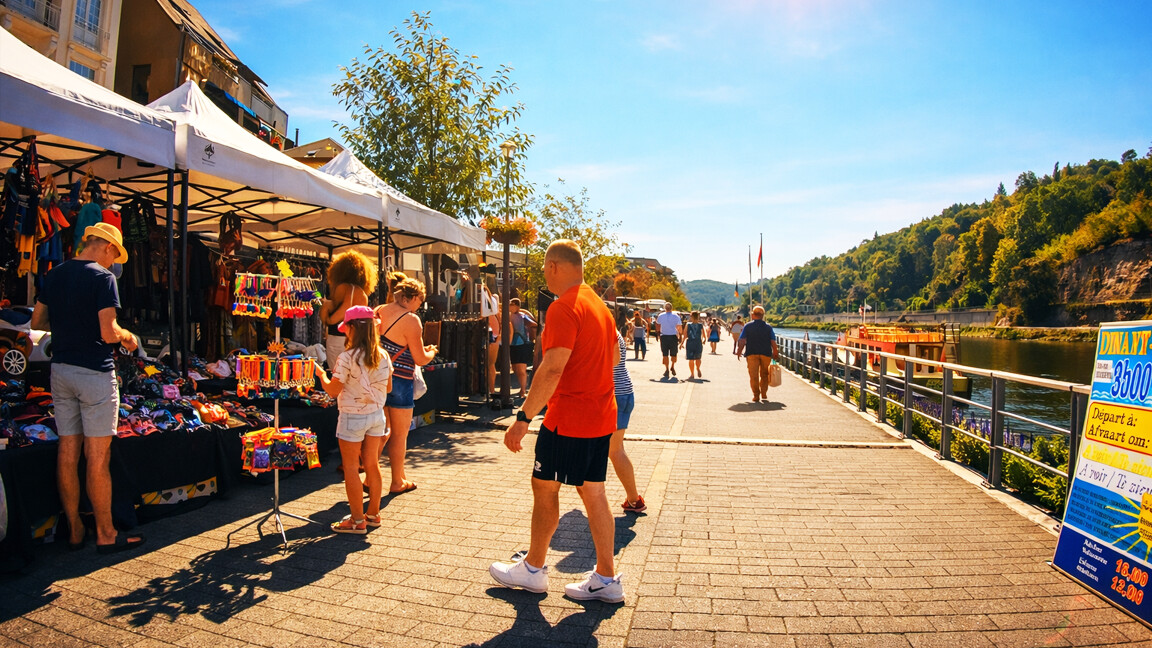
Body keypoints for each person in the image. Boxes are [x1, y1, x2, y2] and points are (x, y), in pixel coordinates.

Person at [489, 239, 624, 603]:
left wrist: (523, 417)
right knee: (593, 493)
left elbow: (551, 367)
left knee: (544, 486)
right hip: (599, 413)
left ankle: (533, 569)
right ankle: (607, 577)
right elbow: (612, 358)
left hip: (569, 418)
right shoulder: (600, 306)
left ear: (552, 267)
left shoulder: (564, 308)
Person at [30, 223, 144, 554]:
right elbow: (109, 332)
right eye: (115, 256)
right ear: (107, 247)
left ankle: (76, 530)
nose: (114, 264)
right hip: (94, 373)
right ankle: (106, 533)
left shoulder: (56, 274)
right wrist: (128, 337)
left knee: (68, 450)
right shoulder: (102, 277)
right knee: (97, 456)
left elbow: (37, 323)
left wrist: (68, 324)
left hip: (61, 370)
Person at [314, 306, 392, 534]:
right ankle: (373, 514)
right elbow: (388, 387)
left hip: (352, 417)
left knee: (350, 467)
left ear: (351, 328)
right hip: (376, 416)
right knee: (372, 465)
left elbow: (333, 390)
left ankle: (357, 520)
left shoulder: (346, 358)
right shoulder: (383, 354)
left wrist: (321, 375)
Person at [374, 276, 438, 494]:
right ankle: (396, 481)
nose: (421, 304)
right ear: (411, 298)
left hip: (377, 378)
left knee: (380, 431)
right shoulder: (412, 320)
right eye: (421, 299)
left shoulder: (378, 310)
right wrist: (432, 352)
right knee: (400, 435)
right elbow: (420, 358)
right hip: (400, 380)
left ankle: (371, 477)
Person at [321, 251, 377, 370]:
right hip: (354, 339)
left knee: (336, 373)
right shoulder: (361, 293)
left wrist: (330, 319)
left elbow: (345, 310)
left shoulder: (345, 288)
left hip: (338, 338)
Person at [611, 330, 645, 513]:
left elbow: (611, 362)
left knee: (613, 450)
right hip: (624, 391)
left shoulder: (605, 331)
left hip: (614, 394)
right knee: (615, 449)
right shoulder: (615, 331)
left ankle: (634, 500)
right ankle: (633, 499)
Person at [736, 306, 780, 403]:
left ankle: (756, 395)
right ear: (762, 316)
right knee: (764, 374)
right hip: (766, 353)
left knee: (753, 375)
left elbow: (742, 340)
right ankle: (763, 392)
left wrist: (739, 351)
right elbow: (773, 341)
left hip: (752, 353)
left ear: (753, 315)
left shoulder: (748, 326)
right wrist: (775, 352)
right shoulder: (768, 327)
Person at [508, 297, 537, 398]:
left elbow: (534, 324)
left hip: (523, 344)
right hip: (514, 344)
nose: (509, 307)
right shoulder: (510, 316)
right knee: (515, 368)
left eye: (511, 305)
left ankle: (523, 391)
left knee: (521, 369)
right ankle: (523, 388)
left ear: (516, 306)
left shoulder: (522, 316)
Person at [655, 302, 683, 379]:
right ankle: (672, 366)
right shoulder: (676, 316)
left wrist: (658, 333)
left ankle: (667, 368)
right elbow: (679, 326)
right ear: (671, 308)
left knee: (665, 354)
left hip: (664, 336)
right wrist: (680, 335)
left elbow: (657, 325)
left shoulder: (661, 316)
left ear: (665, 308)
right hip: (673, 336)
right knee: (673, 354)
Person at [683, 311, 706, 379]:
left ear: (692, 317)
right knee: (698, 358)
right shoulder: (700, 325)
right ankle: (698, 368)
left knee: (691, 359)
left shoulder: (688, 325)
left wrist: (681, 343)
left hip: (690, 343)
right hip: (698, 343)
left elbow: (685, 335)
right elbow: (704, 335)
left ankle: (692, 374)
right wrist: (704, 340)